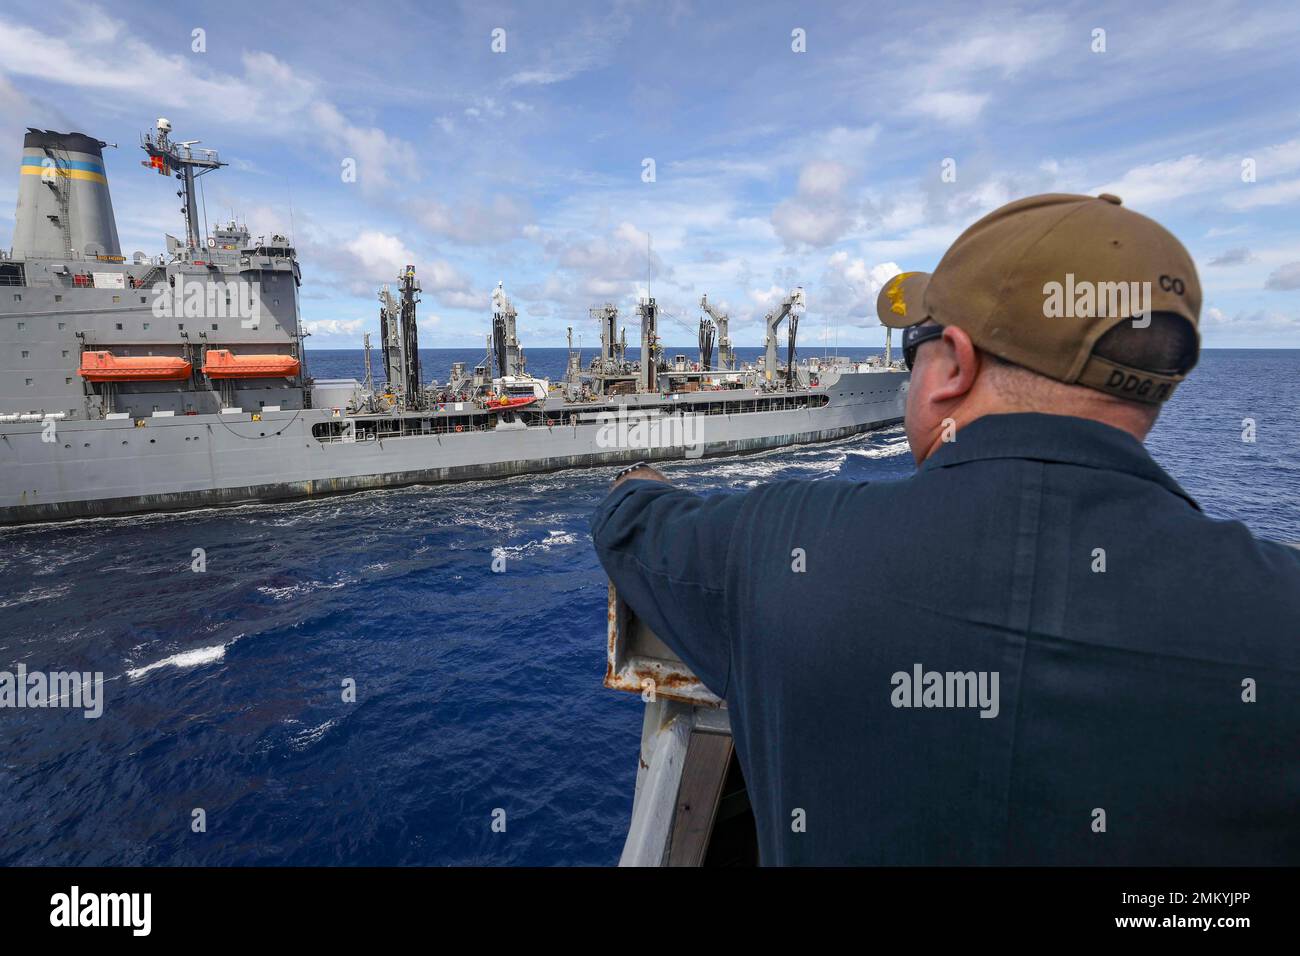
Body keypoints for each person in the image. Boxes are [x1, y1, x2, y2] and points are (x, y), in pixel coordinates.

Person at [590, 193, 1300, 865]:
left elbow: (625, 517)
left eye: (913, 352)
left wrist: (640, 480)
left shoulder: (779, 544)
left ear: (953, 366)